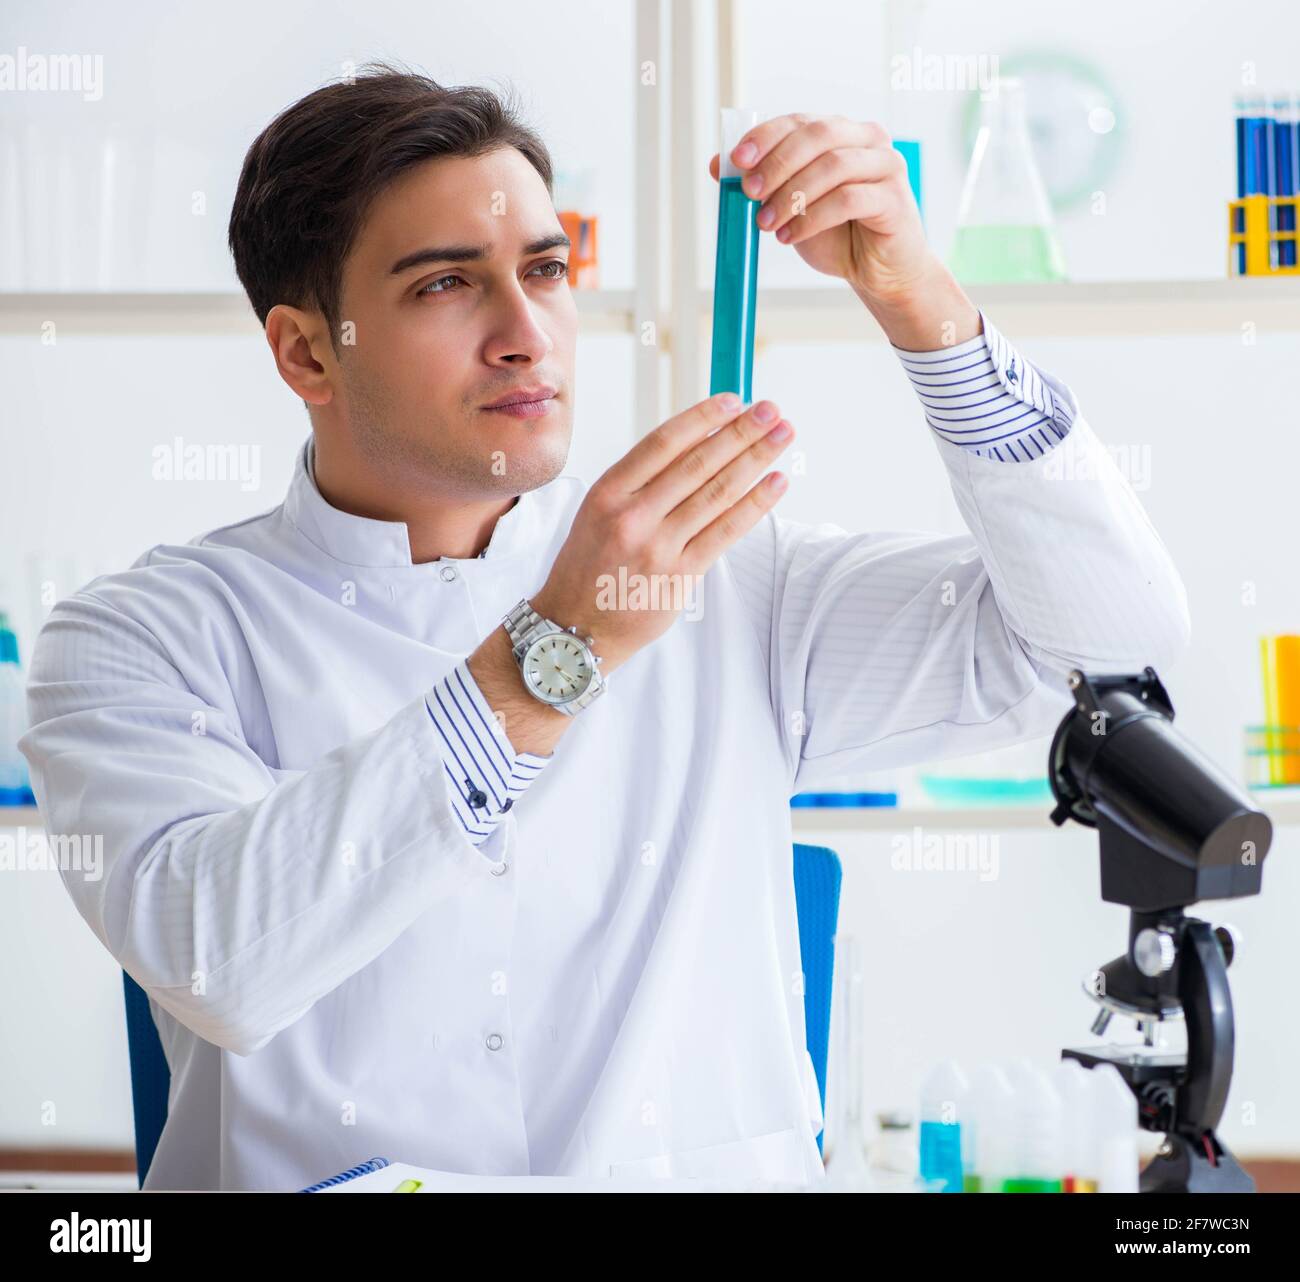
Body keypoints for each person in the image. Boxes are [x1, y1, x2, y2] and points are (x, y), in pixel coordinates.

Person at [20, 65, 1189, 1191]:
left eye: (544, 267)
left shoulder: (730, 582)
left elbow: (1106, 646)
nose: (525, 330)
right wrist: (554, 651)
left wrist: (920, 302)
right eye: (444, 285)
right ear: (307, 350)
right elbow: (217, 960)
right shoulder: (139, 637)